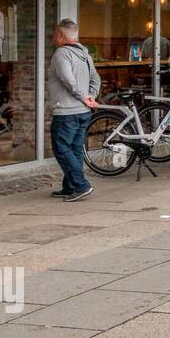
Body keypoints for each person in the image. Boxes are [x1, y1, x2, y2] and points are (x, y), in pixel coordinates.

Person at [48, 20, 101, 202]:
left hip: (66, 111)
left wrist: (84, 96)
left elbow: (68, 80)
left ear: (61, 35)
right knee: (75, 148)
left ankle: (81, 185)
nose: (54, 37)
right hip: (83, 111)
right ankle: (69, 186)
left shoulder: (62, 54)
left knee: (62, 148)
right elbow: (96, 78)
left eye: (56, 33)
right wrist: (91, 96)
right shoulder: (84, 54)